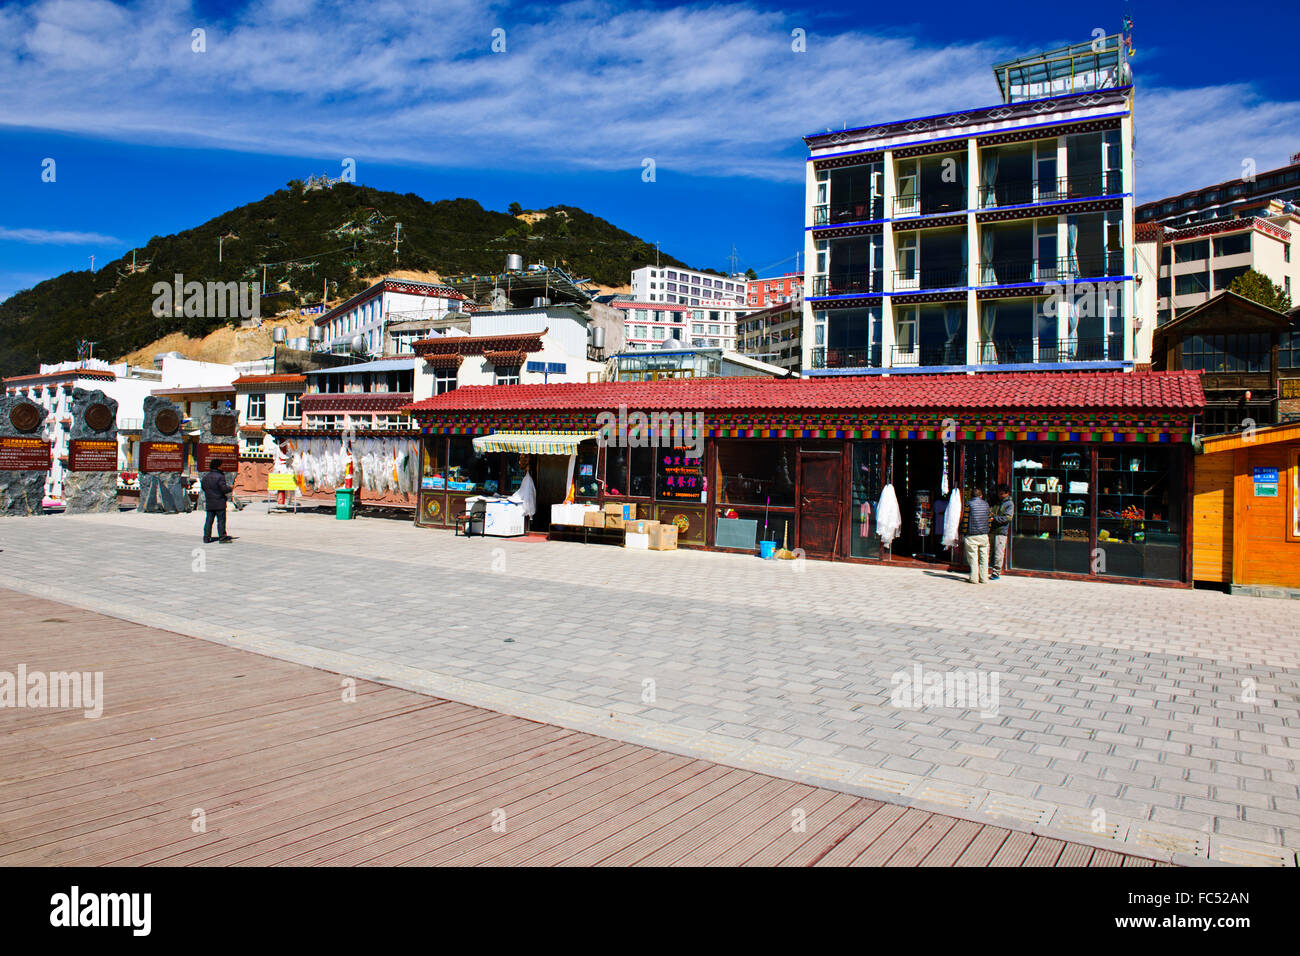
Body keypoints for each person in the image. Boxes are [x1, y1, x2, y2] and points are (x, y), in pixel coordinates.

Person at [201, 459, 234, 543]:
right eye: (221, 465)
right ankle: (222, 537)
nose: (222, 466)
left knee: (209, 521)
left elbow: (204, 488)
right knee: (221, 521)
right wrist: (230, 488)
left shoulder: (206, 477)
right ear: (218, 466)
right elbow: (223, 489)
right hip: (219, 502)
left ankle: (206, 537)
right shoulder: (220, 477)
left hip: (210, 502)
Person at [964, 486, 990, 584]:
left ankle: (974, 578)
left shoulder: (969, 504)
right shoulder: (986, 504)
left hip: (972, 535)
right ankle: (984, 578)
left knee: (973, 557)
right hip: (983, 535)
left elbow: (965, 520)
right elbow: (989, 519)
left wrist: (964, 532)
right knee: (984, 557)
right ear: (981, 495)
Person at [989, 483, 1014, 580]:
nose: (999, 495)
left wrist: (995, 518)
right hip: (991, 530)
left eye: (1001, 493)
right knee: (989, 551)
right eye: (998, 493)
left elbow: (1008, 518)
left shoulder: (1009, 504)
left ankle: (996, 572)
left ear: (1006, 493)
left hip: (1001, 531)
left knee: (998, 553)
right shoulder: (995, 501)